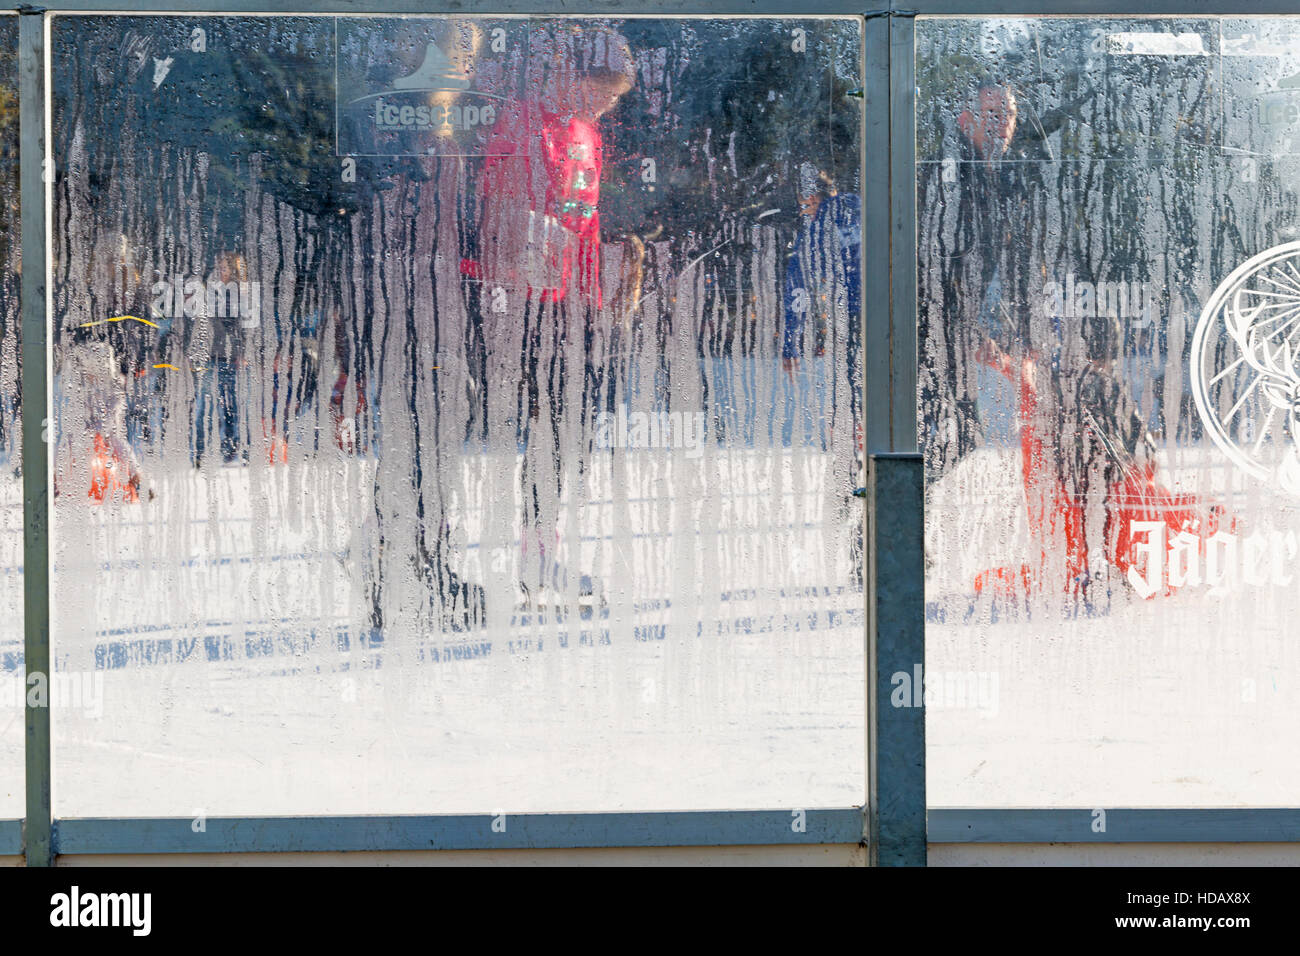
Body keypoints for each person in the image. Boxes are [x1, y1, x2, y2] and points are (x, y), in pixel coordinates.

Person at [469, 23, 636, 611]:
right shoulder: (520, 118)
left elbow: (585, 224)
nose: (601, 105)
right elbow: (492, 203)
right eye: (595, 90)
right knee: (454, 418)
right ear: (569, 73)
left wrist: (597, 291)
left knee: (563, 429)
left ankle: (539, 548)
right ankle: (385, 534)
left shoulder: (589, 136)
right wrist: (523, 237)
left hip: (559, 304)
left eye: (612, 98)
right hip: (498, 299)